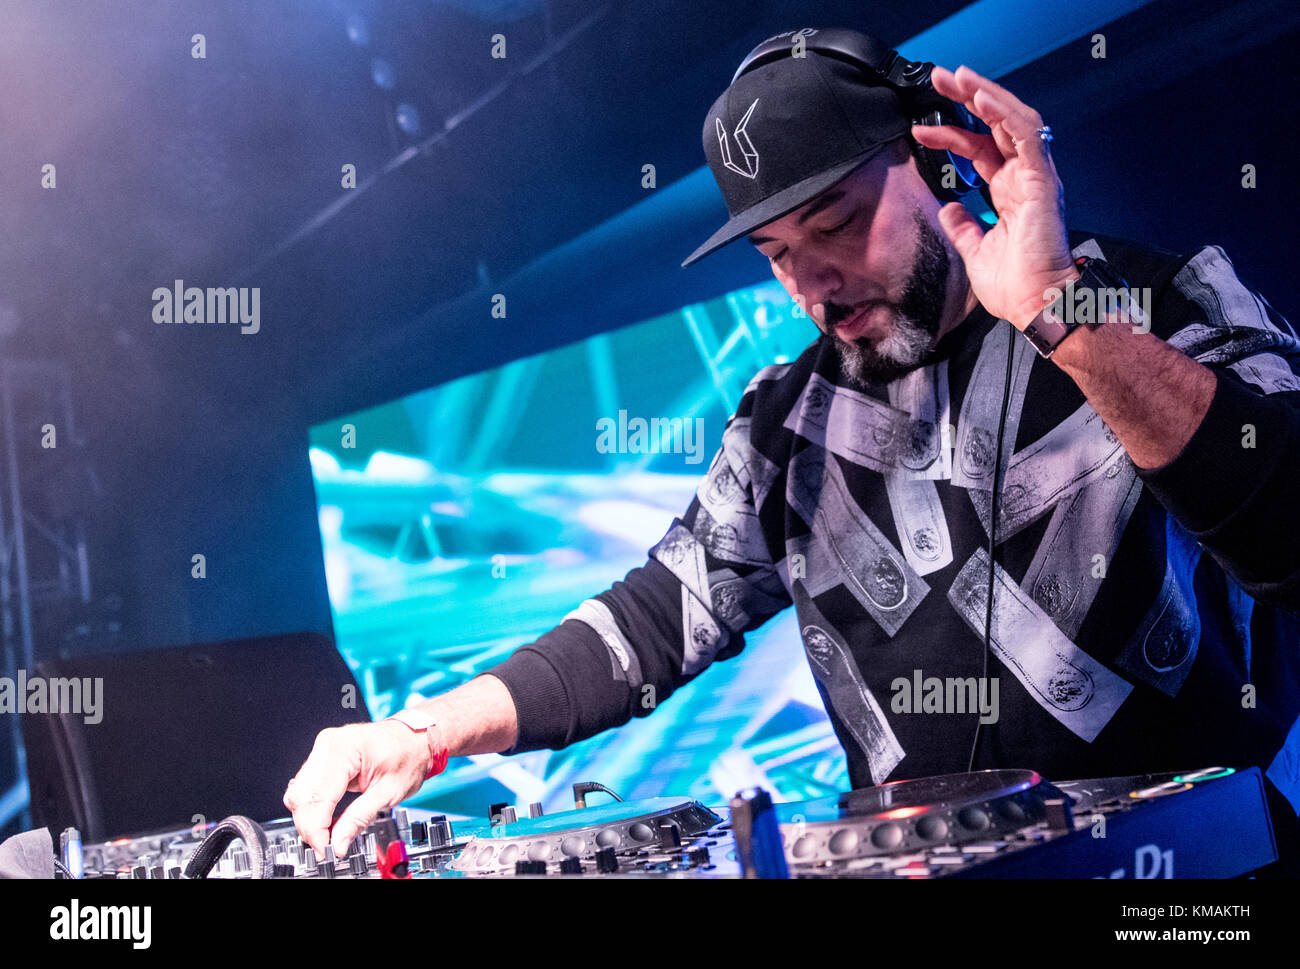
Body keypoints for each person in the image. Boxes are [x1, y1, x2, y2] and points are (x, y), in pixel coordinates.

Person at [285, 28, 1300, 872]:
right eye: (778, 256)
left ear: (935, 159)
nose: (815, 284)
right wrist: (420, 737)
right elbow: (649, 620)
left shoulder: (1152, 302)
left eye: (838, 224)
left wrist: (1053, 311)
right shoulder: (785, 427)